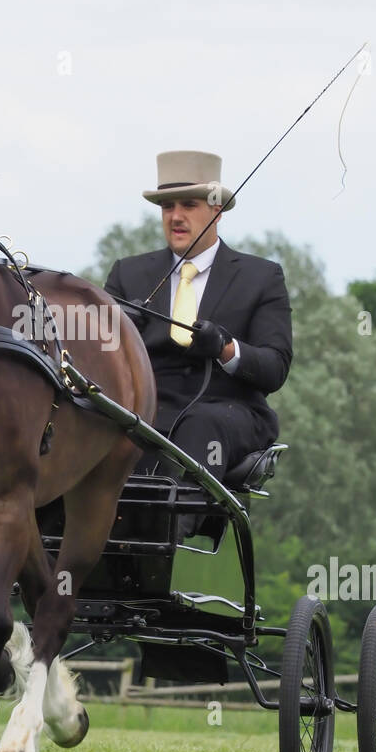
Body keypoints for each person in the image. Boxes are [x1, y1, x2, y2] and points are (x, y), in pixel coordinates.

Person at [104, 151, 293, 501]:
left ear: (216, 210)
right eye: (167, 207)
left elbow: (275, 367)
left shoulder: (261, 277)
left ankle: (170, 523)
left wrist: (225, 347)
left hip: (228, 412)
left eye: (188, 205)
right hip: (147, 408)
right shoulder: (128, 275)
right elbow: (100, 356)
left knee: (199, 426)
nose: (175, 217)